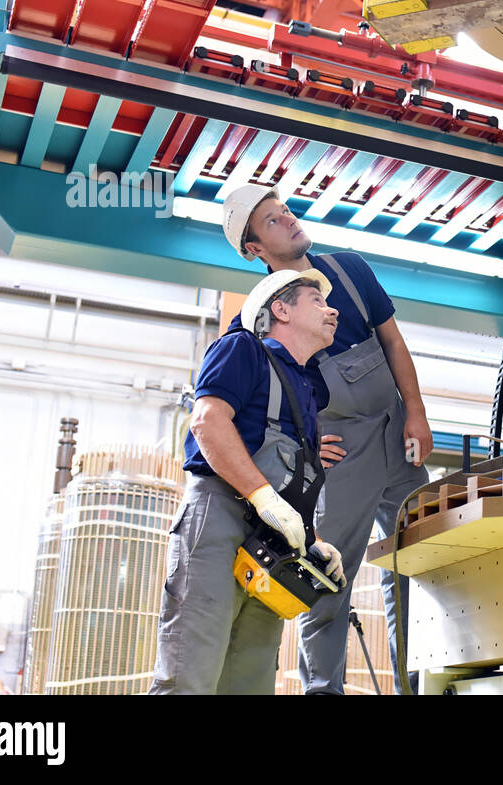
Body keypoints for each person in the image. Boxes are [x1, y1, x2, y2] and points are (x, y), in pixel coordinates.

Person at [221, 183, 432, 695]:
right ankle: (323, 691)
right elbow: (252, 404)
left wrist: (417, 413)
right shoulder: (256, 319)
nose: (288, 220)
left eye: (286, 211)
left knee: (416, 565)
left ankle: (418, 685)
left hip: (396, 432)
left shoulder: (350, 271)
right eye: (272, 221)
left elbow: (392, 341)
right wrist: (305, 448)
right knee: (328, 578)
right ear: (254, 249)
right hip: (341, 457)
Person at [149, 269, 347, 694]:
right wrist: (262, 496)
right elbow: (208, 421)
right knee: (189, 673)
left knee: (249, 683)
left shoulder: (306, 393)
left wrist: (312, 539)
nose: (332, 310)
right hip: (220, 522)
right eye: (316, 300)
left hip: (272, 546)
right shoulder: (243, 350)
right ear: (280, 309)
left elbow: (291, 480)